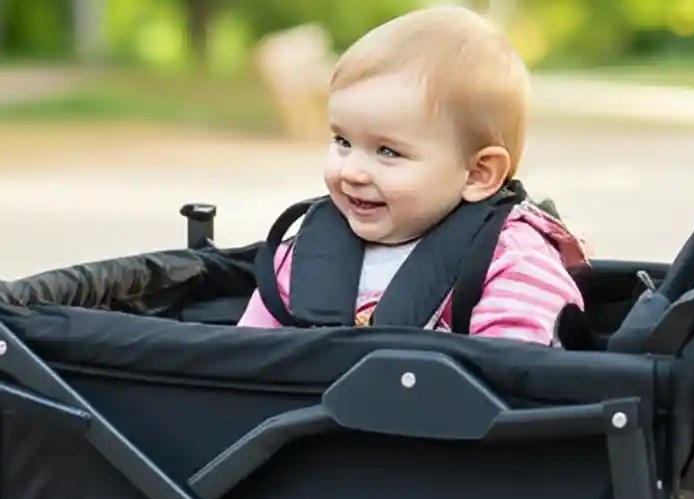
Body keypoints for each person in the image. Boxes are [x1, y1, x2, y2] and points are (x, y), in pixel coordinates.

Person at [237, 4, 589, 345]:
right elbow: (243, 354)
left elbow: (515, 368)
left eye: (387, 151)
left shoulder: (514, 261)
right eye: (343, 141)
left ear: (477, 174)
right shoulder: (308, 255)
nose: (352, 171)